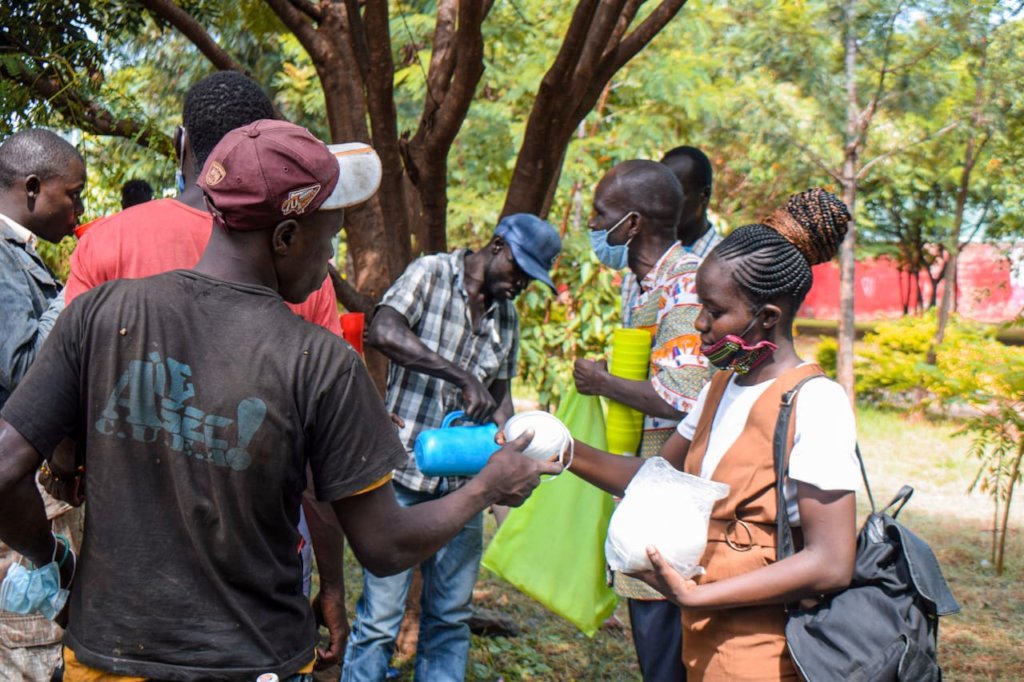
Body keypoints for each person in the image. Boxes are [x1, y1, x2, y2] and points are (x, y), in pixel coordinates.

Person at [0, 119, 557, 681]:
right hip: (251, 662)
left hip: (105, 657)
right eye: (329, 236)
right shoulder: (322, 363)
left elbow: (4, 470)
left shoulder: (100, 314)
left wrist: (53, 563)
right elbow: (386, 545)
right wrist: (489, 486)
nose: (331, 256)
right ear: (286, 238)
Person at [62, 71, 353, 665]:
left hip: (125, 588)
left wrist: (66, 468)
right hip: (257, 596)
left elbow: (64, 406)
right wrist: (331, 586)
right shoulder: (294, 258)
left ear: (181, 144)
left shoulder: (106, 245)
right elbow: (320, 471)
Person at [569, 188, 860, 681]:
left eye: (714, 310)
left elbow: (831, 562)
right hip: (701, 644)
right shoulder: (722, 385)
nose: (700, 324)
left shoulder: (817, 403)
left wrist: (698, 595)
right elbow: (657, 477)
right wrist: (563, 450)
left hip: (766, 657)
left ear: (767, 317)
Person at [343, 213, 562, 682]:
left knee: (449, 617)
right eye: (519, 270)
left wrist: (516, 450)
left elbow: (501, 399)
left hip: (464, 488)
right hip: (400, 478)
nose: (521, 284)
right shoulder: (431, 273)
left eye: (531, 279)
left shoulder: (507, 318)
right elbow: (382, 331)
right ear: (498, 246)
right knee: (379, 620)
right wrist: (460, 377)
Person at [574, 159, 712, 681]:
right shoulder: (647, 286)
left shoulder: (683, 285)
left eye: (599, 215)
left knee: (665, 653)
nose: (593, 226)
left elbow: (683, 397)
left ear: (631, 224)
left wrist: (602, 383)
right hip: (647, 489)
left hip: (671, 501)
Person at [0, 127, 86, 681]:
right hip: (22, 501)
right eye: (73, 194)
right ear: (32, 189)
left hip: (35, 492)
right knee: (32, 650)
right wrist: (83, 283)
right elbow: (24, 367)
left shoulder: (19, 257)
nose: (78, 209)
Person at [621, 146, 720, 329]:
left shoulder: (726, 267)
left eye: (675, 193)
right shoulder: (641, 265)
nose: (660, 202)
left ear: (703, 196)